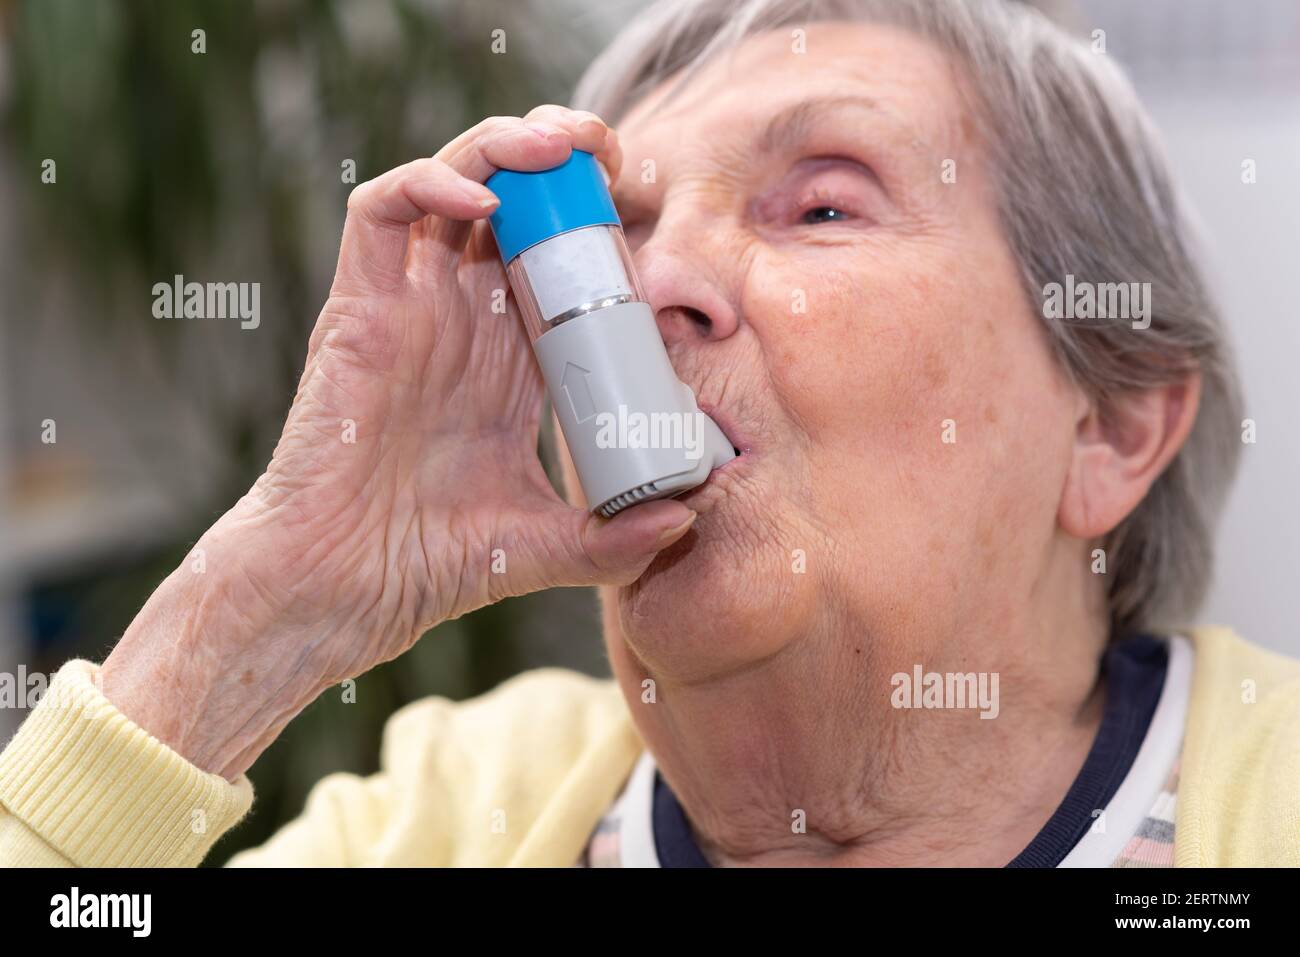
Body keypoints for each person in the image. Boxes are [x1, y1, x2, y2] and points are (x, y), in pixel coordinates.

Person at [1, 0, 1295, 867]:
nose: (646, 290)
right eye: (613, 234)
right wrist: (268, 602)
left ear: (1115, 425)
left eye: (823, 209)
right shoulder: (454, 809)